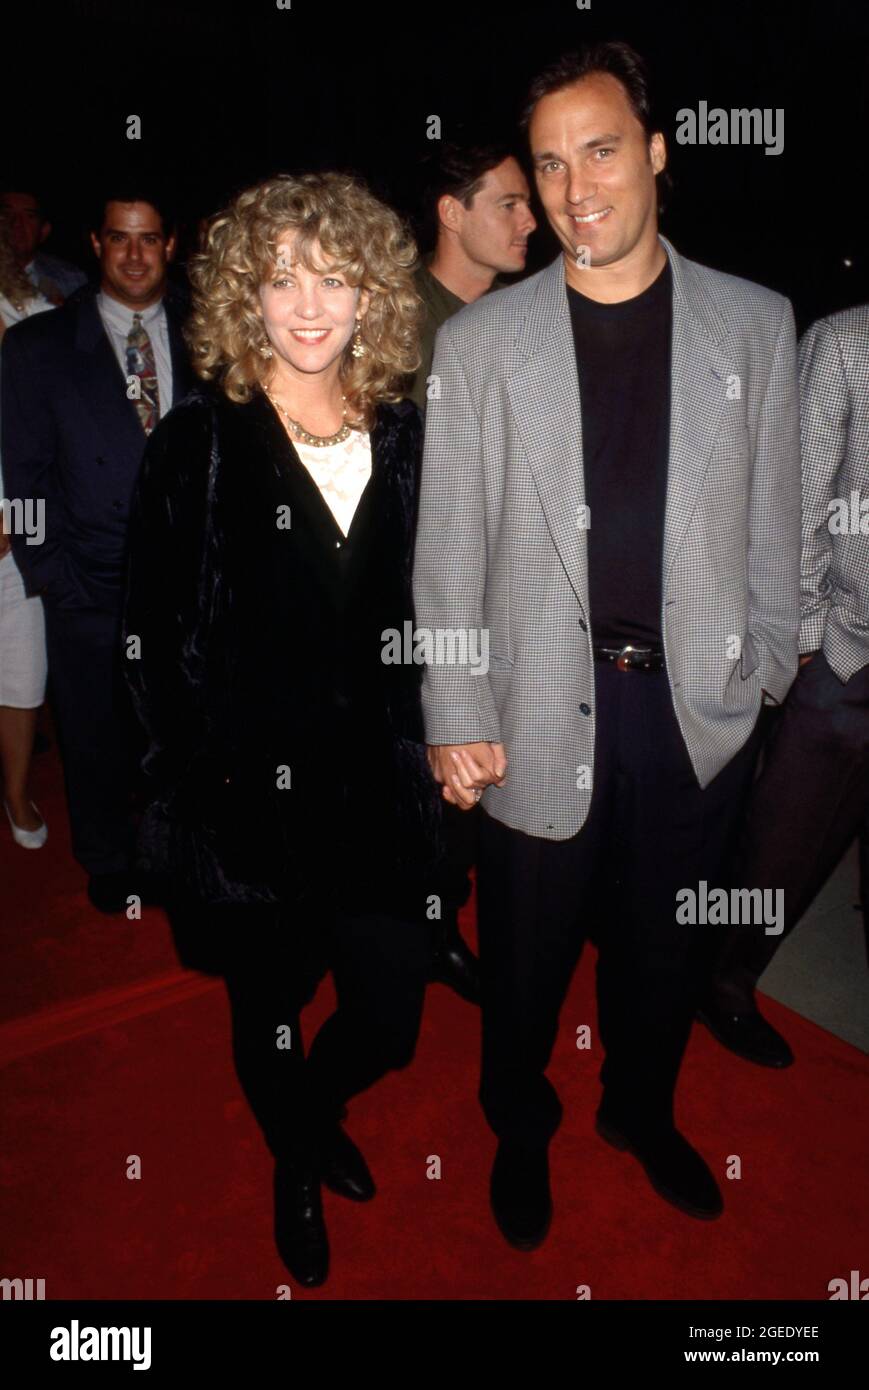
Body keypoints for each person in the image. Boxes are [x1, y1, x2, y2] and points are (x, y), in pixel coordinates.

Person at [413, 41, 800, 1248]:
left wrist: (763, 667)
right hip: (532, 708)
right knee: (522, 969)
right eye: (546, 163)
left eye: (598, 149)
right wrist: (455, 711)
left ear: (653, 154)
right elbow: (446, 553)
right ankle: (518, 1125)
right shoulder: (480, 344)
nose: (575, 186)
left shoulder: (754, 322)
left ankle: (638, 1110)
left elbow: (776, 530)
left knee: (663, 950)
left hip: (690, 713)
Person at [122, 173, 442, 1289]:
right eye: (281, 277)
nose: (309, 303)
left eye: (335, 276)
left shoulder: (405, 431)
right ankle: (295, 1159)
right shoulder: (201, 443)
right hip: (248, 807)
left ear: (372, 293)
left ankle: (311, 1110)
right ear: (243, 295)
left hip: (380, 797)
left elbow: (440, 604)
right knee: (267, 1012)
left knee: (390, 1015)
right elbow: (148, 650)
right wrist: (197, 790)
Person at [1, 188, 194, 911]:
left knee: (177, 727)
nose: (135, 254)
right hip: (89, 579)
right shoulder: (38, 346)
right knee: (92, 731)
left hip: (185, 581)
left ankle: (175, 845)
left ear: (170, 244)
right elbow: (24, 474)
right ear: (95, 244)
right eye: (120, 239)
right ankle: (109, 856)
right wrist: (50, 575)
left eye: (149, 239)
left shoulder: (208, 333)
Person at [701, 304, 869, 1066]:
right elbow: (796, 503)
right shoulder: (844, 343)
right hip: (844, 655)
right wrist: (802, 644)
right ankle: (723, 980)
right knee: (785, 843)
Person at [408, 139, 536, 1004]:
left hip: (512, 591)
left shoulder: (533, 315)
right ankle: (425, 925)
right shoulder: (387, 323)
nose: (534, 219)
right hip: (416, 596)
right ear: (452, 213)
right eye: (510, 203)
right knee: (427, 776)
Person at [407, 140, 536, 408]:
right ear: (452, 214)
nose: (530, 223)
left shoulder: (528, 313)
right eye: (508, 205)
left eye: (526, 204)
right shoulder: (394, 311)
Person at [0, 210, 53, 848]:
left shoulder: (35, 314)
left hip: (21, 531)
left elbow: (47, 429)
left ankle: (15, 792)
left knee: (21, 672)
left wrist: (21, 512)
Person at [0, 186, 88, 303]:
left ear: (44, 231)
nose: (17, 223)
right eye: (7, 214)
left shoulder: (71, 279)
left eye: (29, 216)